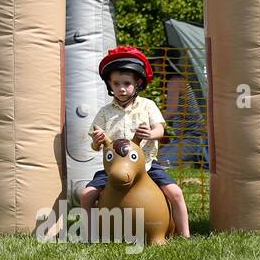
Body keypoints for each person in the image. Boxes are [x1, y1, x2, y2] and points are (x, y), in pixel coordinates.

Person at [82, 46, 191, 239]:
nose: (121, 88)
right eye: (116, 83)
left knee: (175, 193)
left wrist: (150, 133)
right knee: (87, 195)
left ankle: (184, 234)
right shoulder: (105, 112)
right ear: (109, 84)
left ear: (138, 83)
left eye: (127, 83)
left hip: (147, 165)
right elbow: (95, 143)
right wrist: (97, 141)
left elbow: (160, 129)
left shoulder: (148, 106)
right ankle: (91, 234)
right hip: (114, 169)